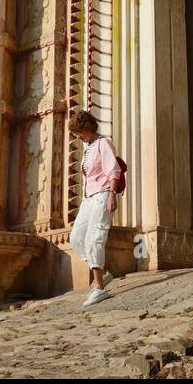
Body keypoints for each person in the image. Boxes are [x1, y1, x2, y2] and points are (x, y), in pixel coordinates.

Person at [68, 109, 122, 308]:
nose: (77, 136)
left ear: (87, 128)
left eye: (78, 132)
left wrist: (112, 195)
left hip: (103, 195)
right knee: (76, 237)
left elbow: (113, 171)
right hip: (89, 198)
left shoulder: (103, 143)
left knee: (95, 237)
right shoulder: (88, 147)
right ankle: (102, 271)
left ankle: (99, 287)